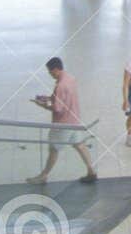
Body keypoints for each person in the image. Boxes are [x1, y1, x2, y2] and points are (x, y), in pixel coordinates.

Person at [29, 57, 98, 185]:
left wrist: (41, 104)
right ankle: (91, 171)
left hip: (63, 124)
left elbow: (57, 108)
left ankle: (44, 175)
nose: (50, 74)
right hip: (74, 120)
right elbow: (62, 99)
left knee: (54, 149)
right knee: (79, 145)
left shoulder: (60, 85)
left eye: (50, 72)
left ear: (55, 69)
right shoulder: (70, 79)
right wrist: (47, 98)